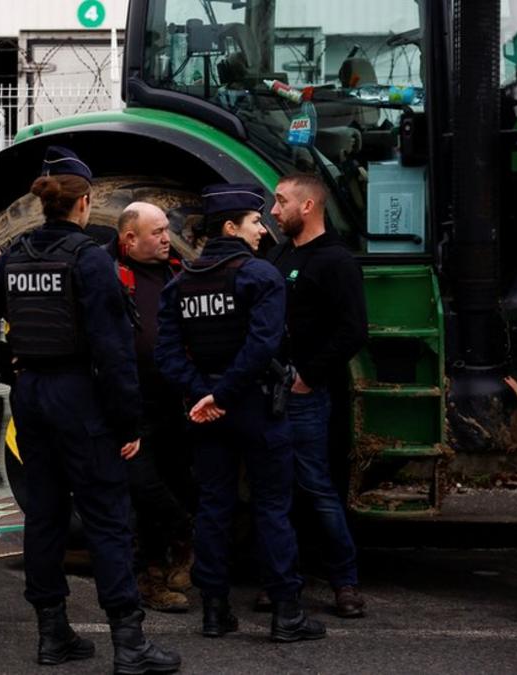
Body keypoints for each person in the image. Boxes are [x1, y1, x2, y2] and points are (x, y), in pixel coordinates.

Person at [0, 146, 181, 673]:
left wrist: (4, 364)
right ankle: (130, 645)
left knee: (45, 516)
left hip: (31, 397)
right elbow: (114, 351)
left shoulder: (16, 256)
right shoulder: (90, 259)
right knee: (108, 518)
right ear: (85, 203)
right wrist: (128, 422)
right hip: (81, 400)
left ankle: (52, 635)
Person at [154, 183, 326, 642]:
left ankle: (214, 612)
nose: (262, 229)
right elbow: (263, 345)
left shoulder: (180, 283)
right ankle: (286, 614)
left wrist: (204, 395)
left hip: (207, 411)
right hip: (254, 405)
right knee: (272, 507)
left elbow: (166, 353)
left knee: (213, 507)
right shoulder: (260, 276)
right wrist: (225, 395)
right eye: (254, 221)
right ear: (230, 227)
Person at [268, 173, 369, 618]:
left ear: (307, 207)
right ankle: (282, 583)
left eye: (281, 201)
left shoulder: (336, 261)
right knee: (276, 491)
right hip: (270, 391)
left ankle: (344, 582)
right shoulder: (279, 254)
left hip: (304, 395)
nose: (274, 210)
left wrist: (308, 377)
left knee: (315, 487)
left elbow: (354, 330)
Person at [116, 203, 195, 613]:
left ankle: (170, 566)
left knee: (177, 481)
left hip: (173, 402)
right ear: (130, 239)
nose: (167, 238)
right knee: (144, 490)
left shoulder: (177, 273)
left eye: (167, 230)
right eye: (157, 232)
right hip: (131, 406)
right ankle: (155, 571)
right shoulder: (107, 271)